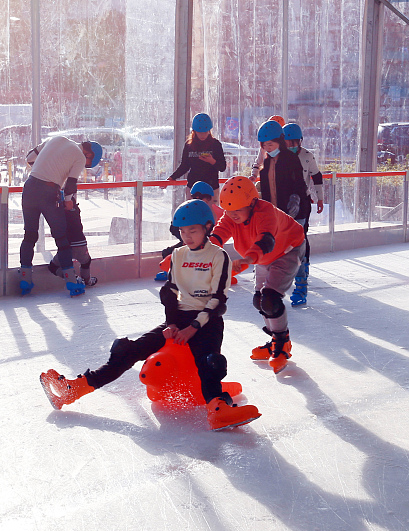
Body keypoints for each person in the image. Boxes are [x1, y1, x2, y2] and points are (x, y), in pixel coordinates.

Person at [40, 199, 261, 431]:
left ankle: (218, 410)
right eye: (183, 232)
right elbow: (170, 291)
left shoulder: (219, 256)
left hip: (208, 322)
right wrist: (173, 323)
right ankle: (75, 389)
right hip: (179, 318)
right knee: (128, 351)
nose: (187, 237)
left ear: (207, 227)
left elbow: (218, 299)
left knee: (209, 363)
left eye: (192, 231)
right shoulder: (179, 255)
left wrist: (192, 328)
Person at [210, 176, 305, 374]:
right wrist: (198, 251)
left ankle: (282, 344)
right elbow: (218, 235)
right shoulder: (231, 215)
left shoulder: (266, 212)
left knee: (271, 299)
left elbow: (266, 239)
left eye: (237, 210)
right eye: (228, 211)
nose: (232, 215)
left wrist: (247, 259)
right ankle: (275, 341)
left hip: (287, 249)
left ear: (252, 203)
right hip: (261, 257)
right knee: (260, 300)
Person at [19, 136, 102, 297]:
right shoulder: (79, 156)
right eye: (87, 164)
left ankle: (25, 279)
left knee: (29, 235)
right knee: (62, 238)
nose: (84, 166)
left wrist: (42, 173)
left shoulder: (55, 139)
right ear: (89, 155)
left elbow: (29, 158)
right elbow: (70, 185)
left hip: (29, 188)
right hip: (49, 193)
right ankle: (72, 282)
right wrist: (69, 202)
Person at [282, 122, 325, 306]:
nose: (292, 146)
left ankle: (302, 279)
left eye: (295, 143)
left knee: (300, 238)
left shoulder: (307, 156)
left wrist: (320, 198)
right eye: (288, 143)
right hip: (283, 204)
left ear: (300, 142)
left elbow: (317, 176)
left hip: (303, 202)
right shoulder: (279, 157)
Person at [154, 180, 220, 281]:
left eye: (209, 200)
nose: (209, 202)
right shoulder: (189, 208)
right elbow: (174, 227)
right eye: (208, 200)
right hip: (190, 239)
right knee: (169, 252)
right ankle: (170, 272)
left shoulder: (206, 210)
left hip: (201, 241)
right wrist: (185, 236)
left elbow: (211, 228)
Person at [255, 120, 308, 222]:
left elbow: (300, 182)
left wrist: (295, 199)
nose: (267, 148)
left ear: (280, 141)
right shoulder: (267, 162)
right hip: (274, 213)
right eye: (264, 145)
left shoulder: (291, 159)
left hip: (292, 212)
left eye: (270, 145)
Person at [167, 113, 227, 192]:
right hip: (193, 187)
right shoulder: (189, 145)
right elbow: (184, 166)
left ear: (209, 131)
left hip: (211, 187)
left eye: (205, 132)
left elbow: (222, 167)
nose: (203, 135)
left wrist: (212, 161)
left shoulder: (215, 144)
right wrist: (172, 178)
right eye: (200, 132)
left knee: (209, 205)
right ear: (194, 131)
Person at [46, 198, 97, 287]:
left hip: (66, 246)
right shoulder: (76, 211)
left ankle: (73, 278)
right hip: (81, 243)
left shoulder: (59, 214)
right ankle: (87, 280)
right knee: (86, 262)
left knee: (53, 267)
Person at [249, 114, 286, 181]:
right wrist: (254, 175)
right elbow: (258, 163)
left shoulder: (288, 154)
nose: (268, 148)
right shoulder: (263, 149)